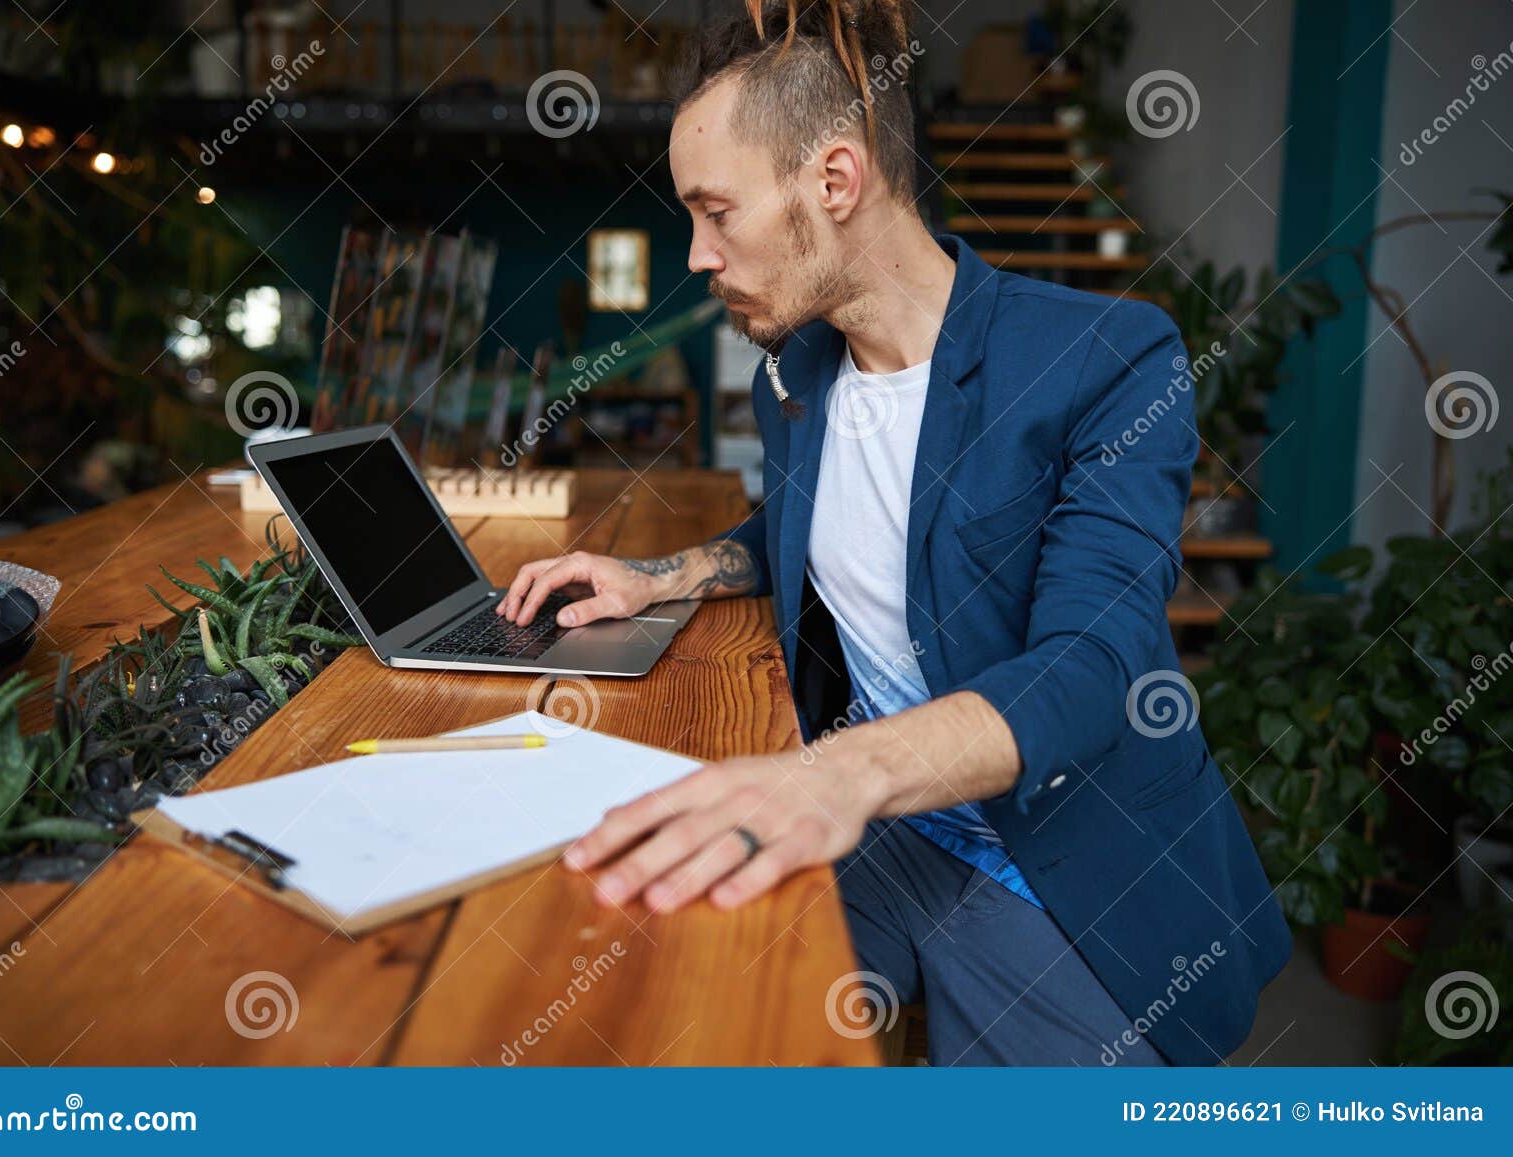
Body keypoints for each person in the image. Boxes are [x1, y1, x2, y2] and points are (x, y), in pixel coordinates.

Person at [496, 0, 1290, 1066]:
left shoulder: (1107, 357)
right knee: (660, 1007)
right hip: (884, 835)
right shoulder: (809, 365)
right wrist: (658, 574)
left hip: (1048, 869)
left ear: (834, 182)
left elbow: (1093, 666)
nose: (695, 254)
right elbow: (810, 522)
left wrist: (836, 775)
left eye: (714, 212)